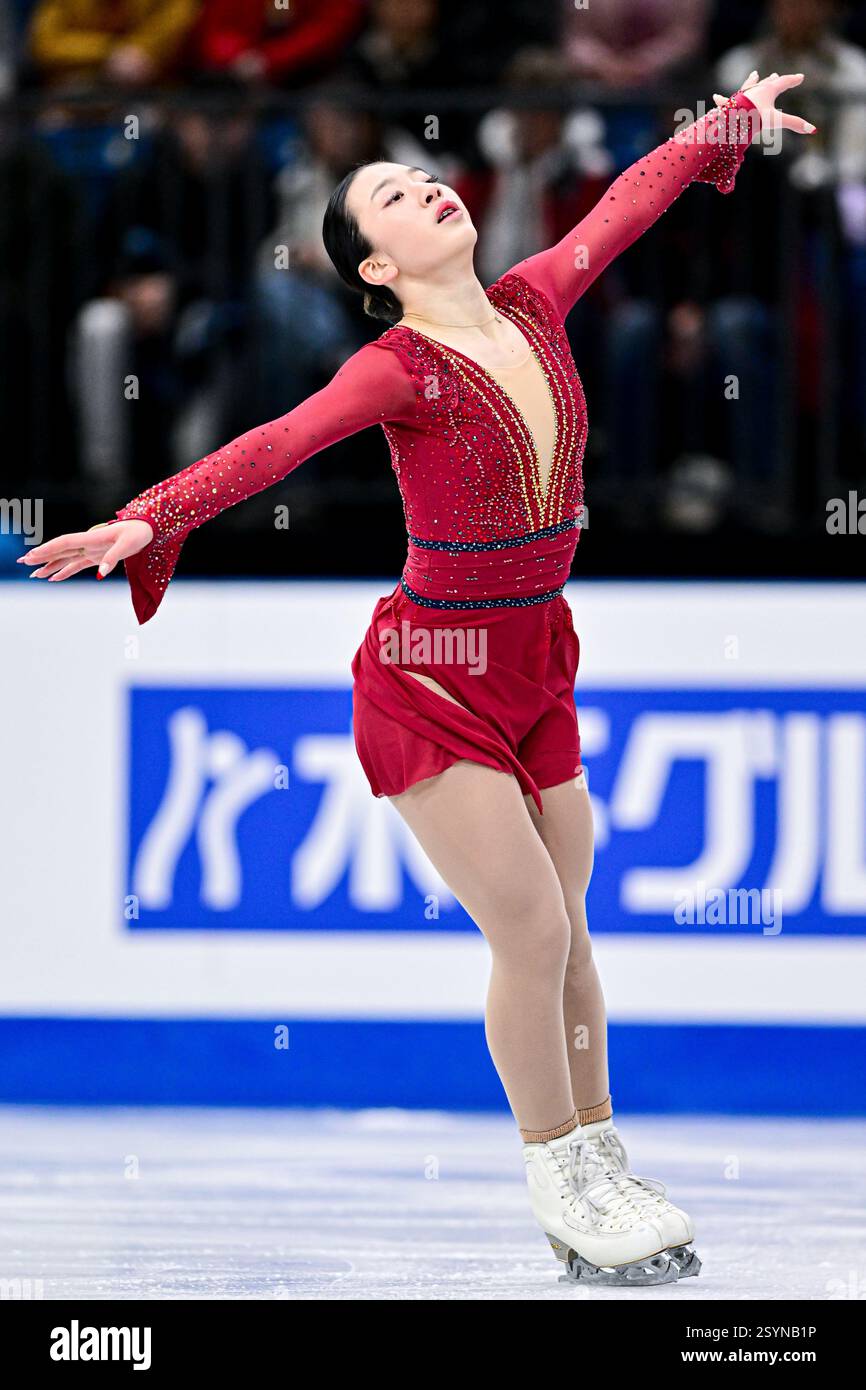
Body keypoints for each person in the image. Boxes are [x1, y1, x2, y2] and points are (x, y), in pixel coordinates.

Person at [20, 72, 814, 1287]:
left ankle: (599, 1160)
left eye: (422, 176)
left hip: (536, 659)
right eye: (391, 194)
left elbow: (623, 205)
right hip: (428, 675)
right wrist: (146, 518)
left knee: (573, 939)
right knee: (532, 926)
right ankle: (553, 1168)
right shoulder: (396, 370)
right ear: (374, 268)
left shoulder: (535, 302)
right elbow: (272, 446)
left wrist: (721, 124)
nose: (426, 187)